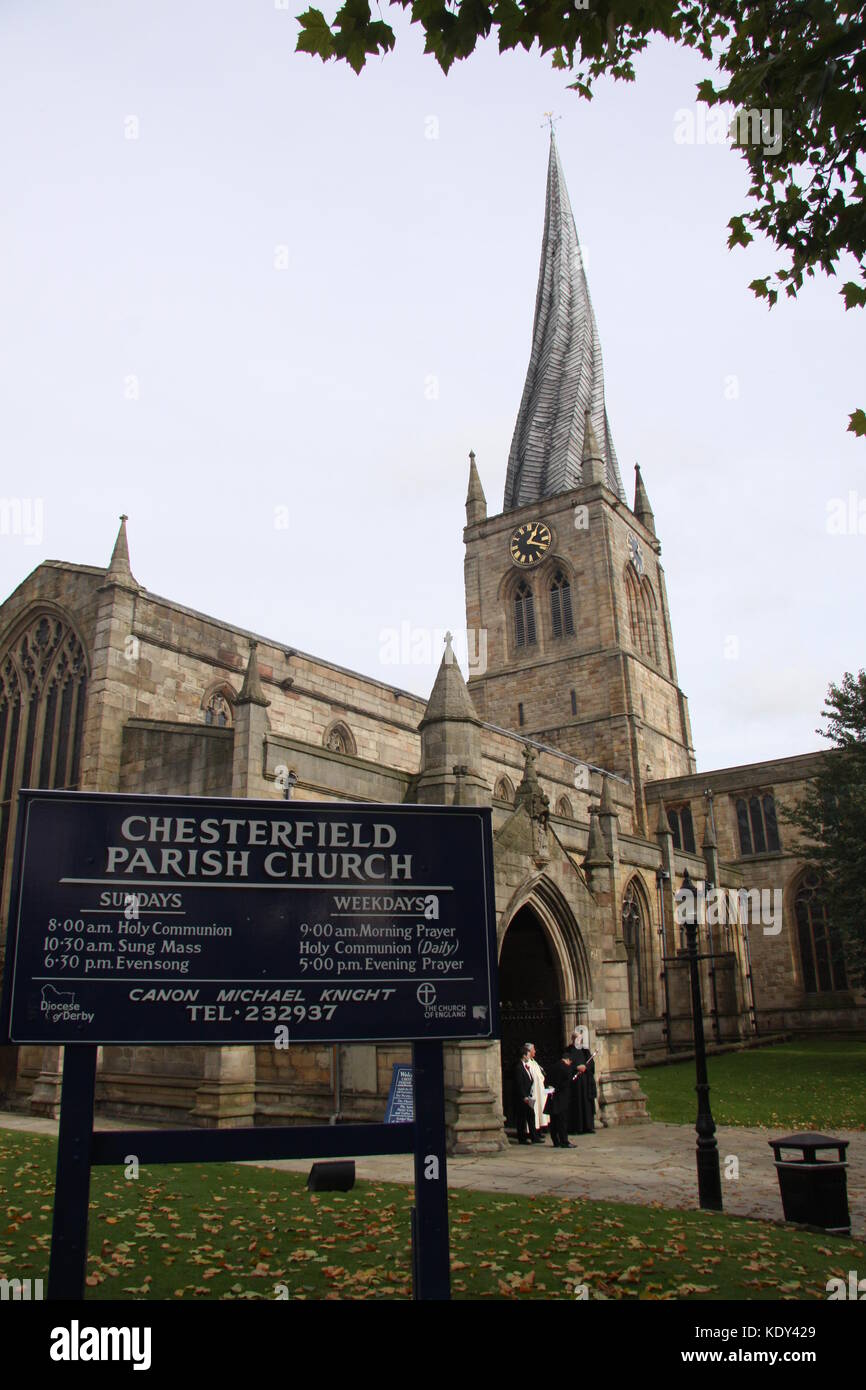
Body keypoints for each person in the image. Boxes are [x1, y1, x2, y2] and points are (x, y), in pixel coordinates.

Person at [566, 1026, 597, 1135]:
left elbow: (591, 1064)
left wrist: (585, 1067)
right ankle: (576, 1127)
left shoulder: (585, 1051)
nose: (579, 1041)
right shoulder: (568, 1051)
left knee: (587, 1104)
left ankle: (588, 1126)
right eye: (577, 1039)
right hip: (575, 1085)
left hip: (586, 1082)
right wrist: (576, 1067)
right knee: (576, 1105)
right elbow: (566, 1064)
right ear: (573, 1039)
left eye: (580, 1039)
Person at [545, 1052, 574, 1148]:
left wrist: (551, 1090)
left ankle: (555, 1141)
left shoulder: (553, 1067)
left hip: (552, 1097)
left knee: (553, 1121)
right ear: (568, 1060)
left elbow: (546, 1081)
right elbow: (567, 1083)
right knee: (562, 1121)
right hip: (562, 1098)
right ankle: (564, 1141)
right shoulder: (566, 1068)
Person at [513, 1043, 539, 1144]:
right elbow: (519, 1084)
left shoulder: (525, 1066)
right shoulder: (518, 1067)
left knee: (531, 1116)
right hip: (523, 1098)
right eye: (528, 1054)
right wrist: (524, 1096)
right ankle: (522, 1138)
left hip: (528, 1096)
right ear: (524, 1055)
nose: (529, 1056)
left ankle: (534, 1137)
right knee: (522, 1118)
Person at [526, 1042, 549, 1142]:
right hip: (534, 1092)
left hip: (540, 1091)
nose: (535, 1051)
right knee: (534, 1112)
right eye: (533, 1050)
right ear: (529, 1051)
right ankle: (533, 1133)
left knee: (540, 1111)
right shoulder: (528, 1064)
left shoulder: (534, 1062)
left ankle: (539, 1130)